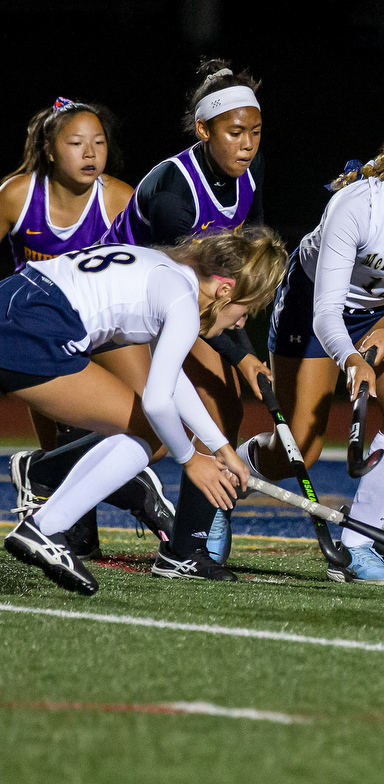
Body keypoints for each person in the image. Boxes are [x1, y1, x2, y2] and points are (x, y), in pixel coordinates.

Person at [240, 111, 384, 582]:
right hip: (313, 307)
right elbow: (328, 310)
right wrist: (349, 358)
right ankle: (229, 478)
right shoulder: (355, 206)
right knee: (298, 451)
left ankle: (359, 543)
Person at [1, 227, 287, 595]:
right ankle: (44, 528)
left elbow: (170, 380)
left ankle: (45, 525)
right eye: (245, 311)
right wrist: (191, 460)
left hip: (15, 302)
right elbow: (156, 400)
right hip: (36, 329)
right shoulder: (182, 300)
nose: (241, 322)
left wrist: (221, 448)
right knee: (151, 436)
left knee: (146, 431)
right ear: (225, 290)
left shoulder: (162, 268)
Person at [101, 59, 270, 567]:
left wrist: (247, 348)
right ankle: (187, 543)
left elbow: (248, 264)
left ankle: (196, 534)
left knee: (224, 404)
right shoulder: (175, 191)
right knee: (157, 427)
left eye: (255, 132)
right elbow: (197, 300)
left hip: (175, 303)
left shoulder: (247, 172)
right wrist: (242, 358)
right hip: (123, 308)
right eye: (235, 132)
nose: (247, 144)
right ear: (203, 129)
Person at [0, 96, 174, 558]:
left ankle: (40, 470)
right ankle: (64, 513)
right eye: (77, 142)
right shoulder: (16, 195)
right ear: (50, 149)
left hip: (109, 328)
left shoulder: (119, 199)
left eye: (99, 142)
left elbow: (154, 273)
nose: (91, 152)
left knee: (148, 428)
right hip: (41, 328)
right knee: (65, 443)